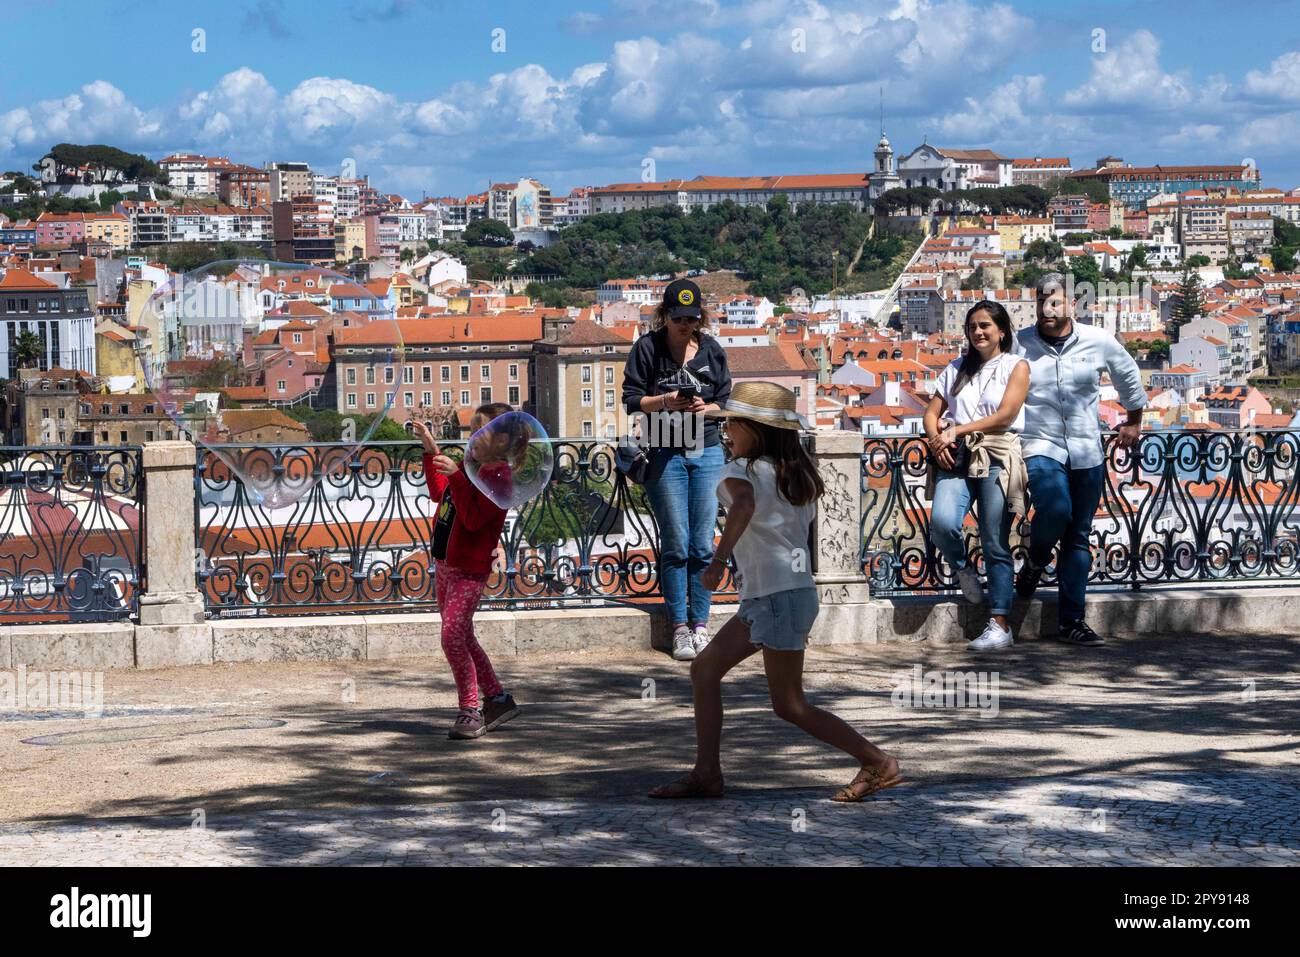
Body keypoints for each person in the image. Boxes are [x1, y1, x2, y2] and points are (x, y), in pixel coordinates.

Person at [648, 382, 903, 803]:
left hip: (776, 599)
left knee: (790, 704)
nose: (727, 432)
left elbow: (744, 505)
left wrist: (716, 561)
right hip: (784, 595)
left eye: (733, 424)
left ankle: (878, 762)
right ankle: (707, 773)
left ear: (756, 429)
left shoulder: (739, 473)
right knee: (706, 671)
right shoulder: (794, 473)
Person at [1014, 273, 1146, 646]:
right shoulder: (1019, 344)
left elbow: (1128, 375)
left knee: (1078, 536)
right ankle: (1037, 561)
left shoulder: (1097, 340)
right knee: (1055, 510)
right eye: (1041, 301)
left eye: (1055, 301)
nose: (1047, 308)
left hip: (1087, 449)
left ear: (1072, 304)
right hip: (1040, 445)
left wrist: (1134, 420)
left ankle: (1072, 620)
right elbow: (986, 378)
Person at [621, 278, 732, 662]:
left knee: (702, 544)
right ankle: (679, 627)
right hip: (663, 451)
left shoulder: (712, 351)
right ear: (664, 316)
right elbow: (632, 401)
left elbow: (725, 403)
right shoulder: (647, 350)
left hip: (706, 449)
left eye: (692, 319)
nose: (686, 326)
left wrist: (707, 409)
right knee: (676, 543)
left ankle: (701, 624)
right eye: (679, 319)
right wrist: (667, 399)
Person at [924, 301, 1030, 651]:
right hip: (957, 456)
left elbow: (1006, 415)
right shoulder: (956, 367)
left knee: (995, 539)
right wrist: (935, 437)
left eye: (985, 325)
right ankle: (962, 567)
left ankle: (999, 623)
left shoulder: (1017, 366)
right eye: (972, 327)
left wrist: (958, 429)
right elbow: (932, 412)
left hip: (996, 453)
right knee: (941, 521)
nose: (978, 332)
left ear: (1002, 331)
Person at [412, 404, 521, 739]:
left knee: (451, 637)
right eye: (472, 428)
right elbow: (438, 492)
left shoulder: (500, 477)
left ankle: (470, 710)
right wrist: (432, 453)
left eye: (481, 430)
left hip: (469, 568)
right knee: (462, 635)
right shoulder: (471, 466)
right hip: (446, 561)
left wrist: (457, 477)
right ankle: (499, 699)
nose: (473, 435)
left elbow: (474, 519)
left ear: (501, 440)